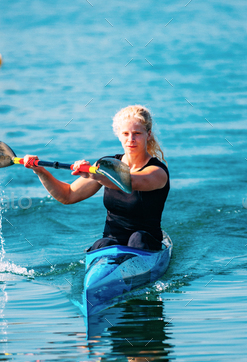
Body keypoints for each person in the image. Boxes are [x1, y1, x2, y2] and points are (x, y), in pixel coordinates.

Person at [23, 105, 169, 252]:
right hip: (113, 241)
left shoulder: (157, 172)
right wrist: (40, 171)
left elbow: (129, 181)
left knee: (138, 239)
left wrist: (94, 174)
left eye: (137, 133)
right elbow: (67, 195)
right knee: (102, 244)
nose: (131, 139)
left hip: (145, 243)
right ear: (119, 135)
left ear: (148, 134)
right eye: (125, 133)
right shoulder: (106, 165)